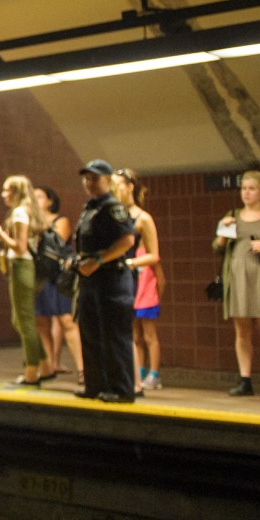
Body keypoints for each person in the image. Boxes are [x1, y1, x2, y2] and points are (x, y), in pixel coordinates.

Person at [71, 160, 137, 404]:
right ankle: (95, 385)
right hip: (91, 279)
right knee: (90, 333)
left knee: (114, 336)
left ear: (108, 180)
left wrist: (98, 260)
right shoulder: (90, 207)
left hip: (111, 279)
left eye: (95, 178)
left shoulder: (112, 208)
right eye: (86, 178)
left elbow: (127, 240)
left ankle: (121, 390)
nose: (89, 183)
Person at [213, 170, 260, 399]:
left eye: (251, 188)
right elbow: (218, 247)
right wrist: (223, 230)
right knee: (242, 330)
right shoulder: (232, 215)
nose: (246, 193)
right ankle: (245, 380)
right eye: (243, 188)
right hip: (238, 278)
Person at [0, 175, 48, 385]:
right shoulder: (24, 211)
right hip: (20, 265)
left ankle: (31, 371)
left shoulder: (20, 212)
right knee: (19, 319)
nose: (3, 194)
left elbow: (20, 246)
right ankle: (46, 365)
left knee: (25, 319)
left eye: (6, 190)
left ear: (15, 192)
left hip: (22, 265)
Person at [113, 167, 165, 392]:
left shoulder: (143, 218)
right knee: (126, 331)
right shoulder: (112, 213)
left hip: (132, 277)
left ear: (129, 187)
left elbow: (154, 255)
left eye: (117, 185)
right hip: (112, 276)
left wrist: (131, 263)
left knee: (141, 331)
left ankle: (146, 377)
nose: (113, 190)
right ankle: (129, 374)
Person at [33, 185, 83, 383]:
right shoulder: (30, 222)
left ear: (50, 201)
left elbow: (57, 242)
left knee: (67, 320)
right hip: (41, 276)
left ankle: (82, 369)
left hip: (60, 277)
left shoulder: (60, 221)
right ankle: (48, 366)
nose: (35, 200)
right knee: (42, 322)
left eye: (39, 197)